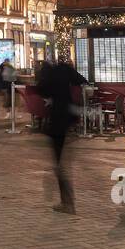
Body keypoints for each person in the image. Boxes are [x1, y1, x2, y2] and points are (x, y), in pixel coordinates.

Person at [42, 57, 86, 213]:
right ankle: (67, 201)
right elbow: (82, 80)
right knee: (63, 162)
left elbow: (42, 89)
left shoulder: (49, 72)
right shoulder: (66, 69)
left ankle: (67, 202)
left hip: (57, 121)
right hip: (69, 119)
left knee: (59, 163)